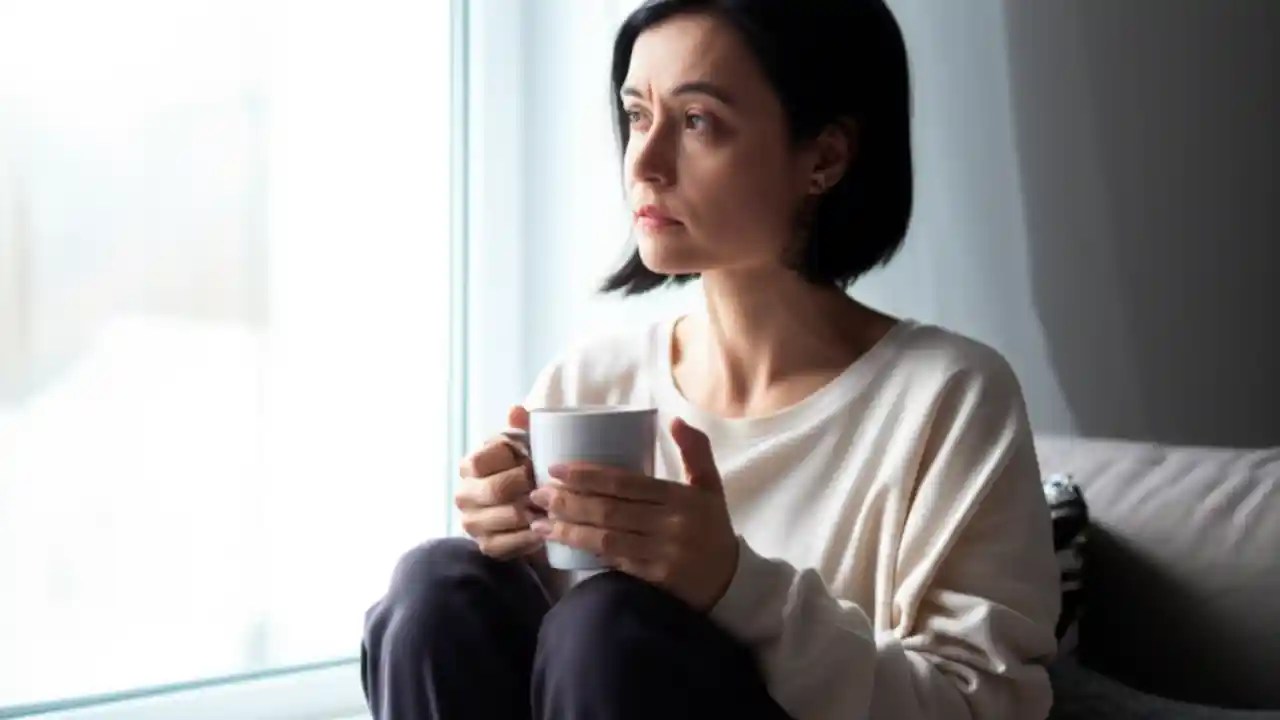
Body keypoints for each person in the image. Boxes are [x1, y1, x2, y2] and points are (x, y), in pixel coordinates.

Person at [361, 0, 1061, 718]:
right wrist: (515, 535)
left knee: (606, 627)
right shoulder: (592, 382)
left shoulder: (948, 396)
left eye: (697, 121)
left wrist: (731, 582)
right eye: (637, 115)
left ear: (823, 156)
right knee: (436, 585)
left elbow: (984, 707)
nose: (646, 161)